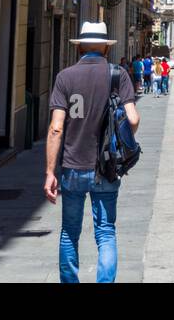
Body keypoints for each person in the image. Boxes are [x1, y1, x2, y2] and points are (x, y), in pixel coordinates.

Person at [45, 20, 139, 283]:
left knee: (69, 233)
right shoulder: (117, 75)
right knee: (106, 232)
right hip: (106, 167)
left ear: (80, 48)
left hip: (73, 166)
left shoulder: (65, 77)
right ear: (106, 49)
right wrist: (118, 141)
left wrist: (50, 172)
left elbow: (56, 128)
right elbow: (132, 119)